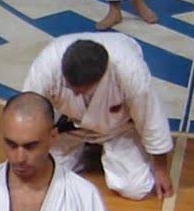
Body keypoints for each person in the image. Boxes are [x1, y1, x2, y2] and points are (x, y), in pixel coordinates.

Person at [22, 34, 173, 201]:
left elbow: (150, 118)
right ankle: (87, 151)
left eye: (81, 89)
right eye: (70, 87)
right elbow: (29, 112)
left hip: (118, 129)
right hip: (70, 125)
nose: (75, 93)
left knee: (135, 188)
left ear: (101, 77)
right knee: (44, 175)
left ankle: (100, 150)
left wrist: (161, 170)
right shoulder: (47, 66)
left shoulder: (130, 71)